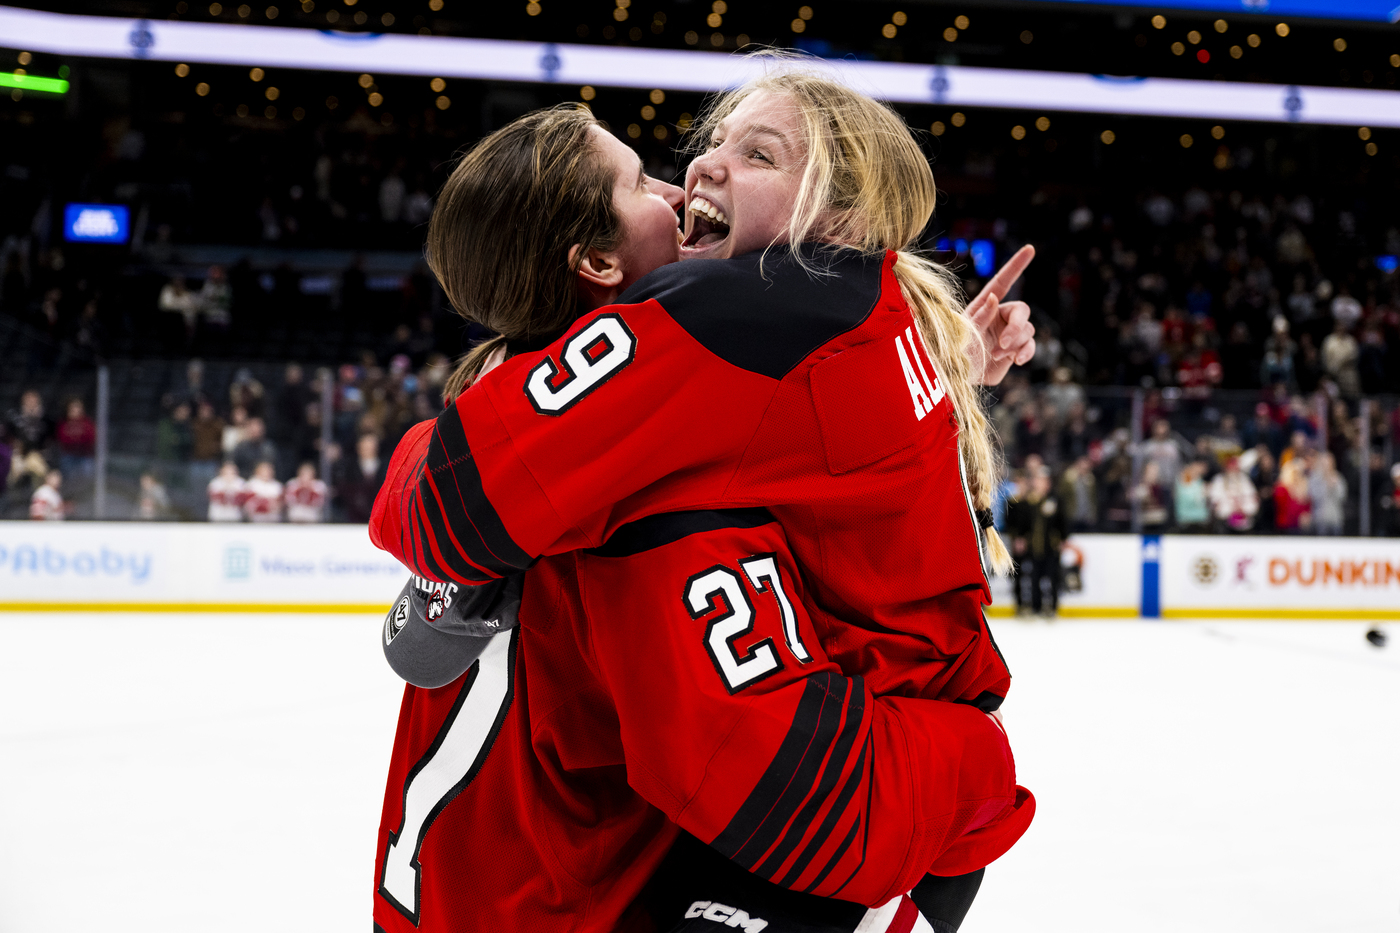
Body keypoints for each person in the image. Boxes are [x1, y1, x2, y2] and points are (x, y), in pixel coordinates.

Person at [370, 82, 1035, 933]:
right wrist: (968, 764)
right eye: (640, 183)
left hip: (449, 895)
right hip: (577, 894)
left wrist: (936, 358)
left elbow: (417, 641)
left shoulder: (529, 418)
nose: (683, 181)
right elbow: (751, 765)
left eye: (755, 153)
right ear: (596, 263)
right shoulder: (692, 376)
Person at [1004, 469, 1067, 617]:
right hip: (1033, 546)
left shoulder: (1055, 500)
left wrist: (1063, 539)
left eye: (1042, 481)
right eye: (1037, 481)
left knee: (1052, 576)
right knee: (1034, 577)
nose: (1039, 484)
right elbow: (1022, 522)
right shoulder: (1028, 501)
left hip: (1051, 545)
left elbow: (1062, 521)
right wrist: (1020, 538)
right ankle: (1036, 606)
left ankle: (1052, 606)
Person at [1207, 456, 1258, 533]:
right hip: (1227, 510)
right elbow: (1215, 496)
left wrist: (1240, 505)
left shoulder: (1243, 478)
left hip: (1242, 508)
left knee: (1250, 506)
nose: (1232, 471)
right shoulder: (1219, 479)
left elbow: (1250, 493)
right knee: (1221, 508)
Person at [55, 398, 96, 482]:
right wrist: (77, 438)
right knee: (69, 479)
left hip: (84, 455)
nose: (75, 411)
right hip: (69, 455)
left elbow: (90, 437)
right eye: (73, 408)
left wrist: (76, 439)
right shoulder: (63, 423)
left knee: (86, 479)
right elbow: (62, 438)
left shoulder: (87, 423)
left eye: (77, 408)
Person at [1308, 451, 1346, 536]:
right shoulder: (1315, 478)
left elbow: (1342, 497)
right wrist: (1326, 485)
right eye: (1324, 463)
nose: (1327, 466)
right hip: (1320, 519)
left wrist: (1334, 486)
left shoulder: (1338, 478)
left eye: (1329, 463)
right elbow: (1314, 496)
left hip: (1335, 519)